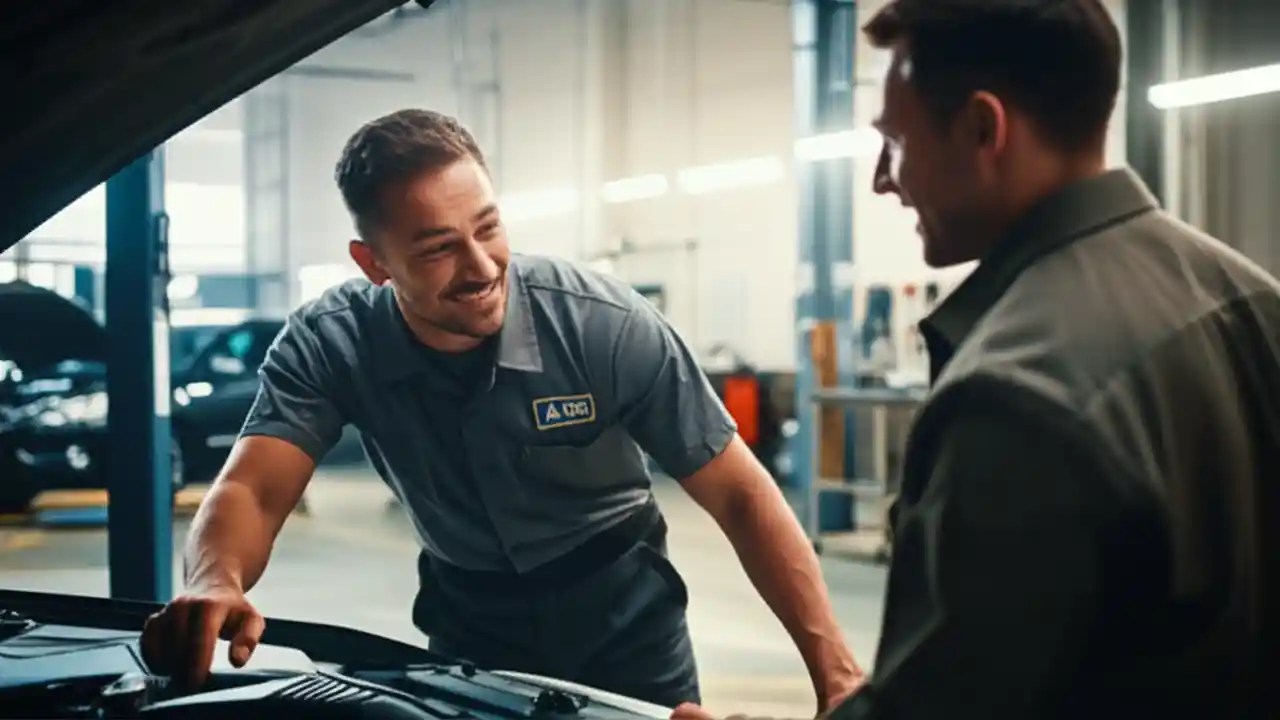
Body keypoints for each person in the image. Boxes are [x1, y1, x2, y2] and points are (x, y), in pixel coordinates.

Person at [139, 108, 863, 710]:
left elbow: (739, 493)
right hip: (469, 618)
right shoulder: (333, 344)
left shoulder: (601, 325)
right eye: (438, 249)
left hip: (624, 616)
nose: (482, 267)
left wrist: (833, 668)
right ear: (374, 264)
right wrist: (215, 579)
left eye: (488, 228)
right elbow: (253, 488)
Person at [674, 1, 1279, 718]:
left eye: (893, 141)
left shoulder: (1015, 397)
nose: (880, 179)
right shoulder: (1252, 299)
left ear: (984, 130)